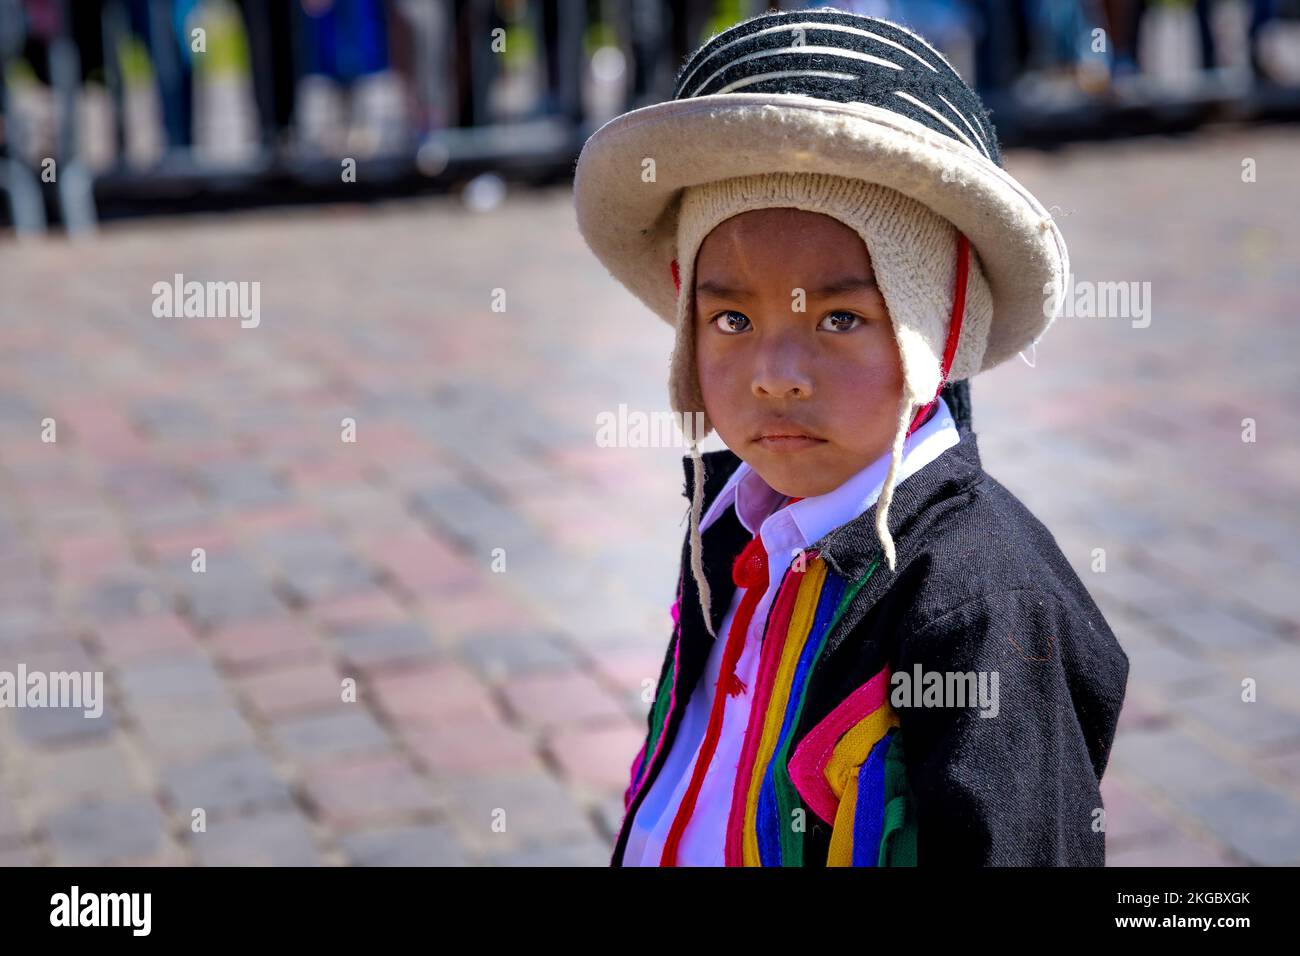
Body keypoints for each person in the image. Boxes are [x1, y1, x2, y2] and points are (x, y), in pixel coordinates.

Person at [573, 8, 1129, 866]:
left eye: (840, 316)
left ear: (935, 333)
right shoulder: (732, 527)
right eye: (729, 317)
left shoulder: (979, 603)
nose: (776, 374)